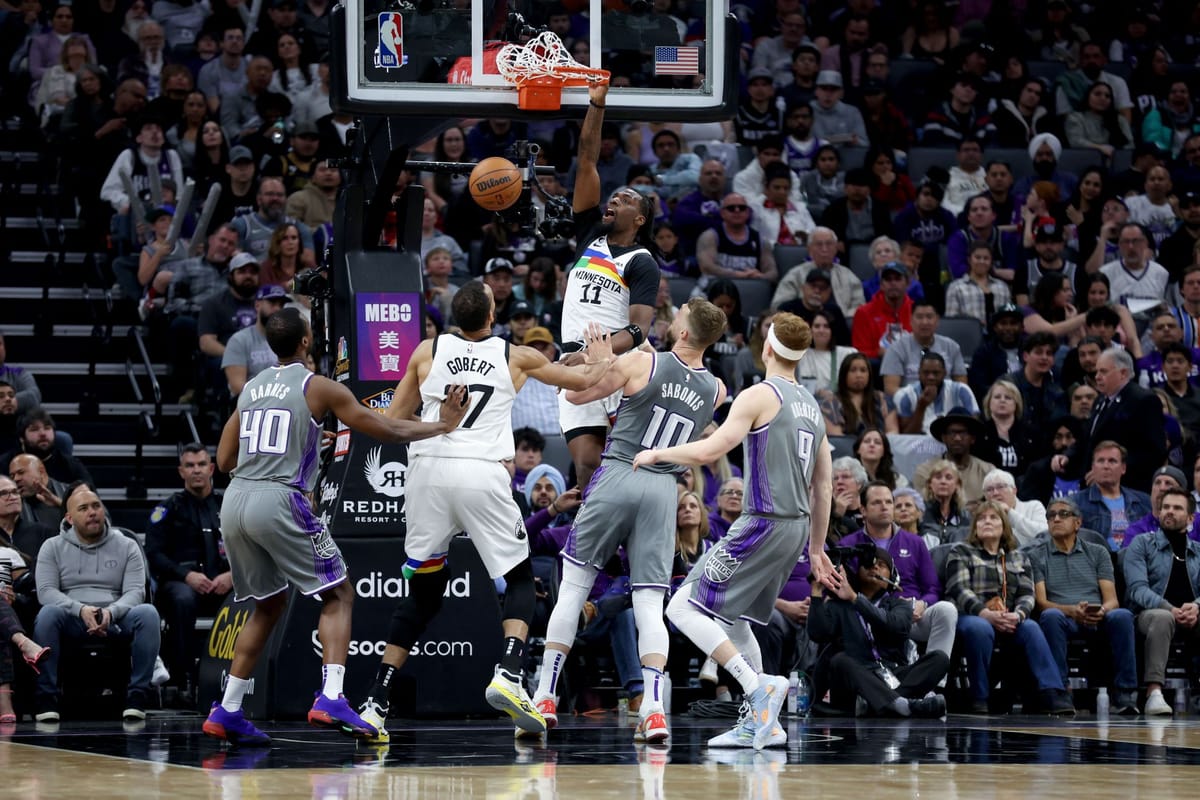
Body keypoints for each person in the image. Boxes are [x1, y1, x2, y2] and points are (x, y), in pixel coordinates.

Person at [352, 282, 617, 744]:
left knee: (425, 590)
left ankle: (376, 700)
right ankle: (510, 672)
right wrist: (601, 356)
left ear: (456, 318)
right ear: (492, 316)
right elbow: (585, 382)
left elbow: (392, 423)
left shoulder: (425, 351)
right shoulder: (515, 356)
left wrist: (439, 424)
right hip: (482, 473)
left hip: (427, 473)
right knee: (518, 579)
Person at [201, 308, 472, 747]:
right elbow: (384, 428)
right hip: (279, 498)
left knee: (268, 604)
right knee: (339, 593)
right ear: (307, 342)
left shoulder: (250, 388)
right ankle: (331, 695)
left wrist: (299, 440)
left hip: (234, 502)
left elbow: (225, 461)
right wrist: (443, 423)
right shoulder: (318, 386)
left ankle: (229, 708)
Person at [634, 312, 836, 749]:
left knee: (682, 609)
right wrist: (817, 547)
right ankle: (766, 723)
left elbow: (714, 447)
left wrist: (656, 453)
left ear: (766, 348)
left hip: (762, 521)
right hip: (796, 530)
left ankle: (755, 686)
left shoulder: (760, 395)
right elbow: (824, 485)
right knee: (737, 618)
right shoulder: (813, 406)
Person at [529, 297, 727, 743]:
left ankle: (544, 697)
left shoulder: (642, 361)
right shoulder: (717, 389)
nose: (670, 318)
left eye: (676, 315)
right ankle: (654, 710)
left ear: (682, 332)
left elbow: (574, 394)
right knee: (649, 606)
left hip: (619, 470)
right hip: (664, 489)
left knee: (575, 587)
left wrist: (601, 364)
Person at [557, 83, 660, 493]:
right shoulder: (589, 237)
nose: (615, 198)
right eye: (614, 195)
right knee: (585, 468)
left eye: (627, 198)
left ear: (640, 219)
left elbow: (639, 331)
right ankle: (589, 553)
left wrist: (592, 355)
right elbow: (587, 159)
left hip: (616, 367)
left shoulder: (641, 261)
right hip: (572, 362)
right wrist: (596, 103)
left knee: (618, 466)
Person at [33, 485, 161, 723]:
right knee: (47, 613)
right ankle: (46, 698)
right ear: (69, 518)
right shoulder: (52, 546)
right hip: (72, 618)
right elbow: (46, 592)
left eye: (96, 506)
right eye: (83, 508)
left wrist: (110, 613)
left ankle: (138, 697)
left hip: (116, 617)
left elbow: (135, 592)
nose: (92, 512)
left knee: (148, 613)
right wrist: (80, 609)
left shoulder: (127, 544)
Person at [945, 500, 1075, 715]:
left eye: (993, 517)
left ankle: (1052, 692)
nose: (987, 521)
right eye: (982, 518)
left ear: (1004, 526)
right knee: (980, 628)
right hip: (971, 615)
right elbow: (959, 589)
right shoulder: (961, 551)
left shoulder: (1019, 557)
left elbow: (1027, 594)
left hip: (1008, 618)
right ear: (975, 526)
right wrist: (985, 613)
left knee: (1031, 627)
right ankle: (980, 696)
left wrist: (1018, 615)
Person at [807, 546, 949, 718]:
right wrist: (816, 593)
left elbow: (896, 627)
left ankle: (880, 704)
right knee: (840, 661)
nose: (875, 567)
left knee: (940, 659)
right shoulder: (839, 605)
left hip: (891, 675)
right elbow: (817, 634)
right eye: (869, 564)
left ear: (893, 576)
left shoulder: (900, 605)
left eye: (882, 565)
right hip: (857, 677)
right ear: (857, 572)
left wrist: (855, 598)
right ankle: (898, 703)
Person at [1029, 497, 1140, 715]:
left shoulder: (1098, 552)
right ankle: (1059, 691)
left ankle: (1125, 694)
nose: (1056, 519)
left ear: (1078, 523)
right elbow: (1041, 603)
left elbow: (1112, 599)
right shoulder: (1037, 555)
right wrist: (1071, 611)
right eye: (1051, 516)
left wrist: (1102, 611)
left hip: (1097, 616)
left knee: (1123, 615)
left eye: (1063, 514)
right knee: (1050, 616)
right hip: (1064, 618)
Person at [144, 443, 230, 699]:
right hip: (180, 583)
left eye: (201, 464)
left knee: (249, 596)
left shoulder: (227, 505)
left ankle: (238, 676)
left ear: (212, 468)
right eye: (190, 466)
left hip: (224, 581)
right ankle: (183, 679)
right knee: (182, 599)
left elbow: (250, 546)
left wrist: (233, 575)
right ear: (181, 471)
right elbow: (154, 554)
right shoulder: (167, 509)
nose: (196, 471)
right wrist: (187, 576)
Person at [840, 482, 958, 660]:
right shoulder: (848, 545)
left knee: (946, 610)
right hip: (869, 617)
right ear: (863, 510)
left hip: (912, 617)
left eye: (888, 502)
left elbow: (933, 589)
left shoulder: (915, 542)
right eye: (877, 502)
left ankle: (933, 681)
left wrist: (922, 604)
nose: (884, 507)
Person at [1123, 487, 1200, 717]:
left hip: (1191, 615)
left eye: (1177, 508)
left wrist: (1196, 605)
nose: (1169, 512)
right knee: (1164, 617)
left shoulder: (1198, 550)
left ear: (1190, 518)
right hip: (1149, 615)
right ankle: (1154, 692)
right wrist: (1171, 608)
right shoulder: (1141, 543)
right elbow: (1137, 589)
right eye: (1166, 507)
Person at [1053, 348, 1166, 494]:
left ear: (1123, 373)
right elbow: (1088, 439)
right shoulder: (1101, 399)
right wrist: (1068, 456)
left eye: (1103, 372)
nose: (1097, 377)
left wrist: (1110, 471)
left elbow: (1154, 451)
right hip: (1094, 487)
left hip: (1128, 489)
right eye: (1097, 371)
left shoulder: (1143, 400)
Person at [1070, 441, 1152, 552]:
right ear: (1093, 467)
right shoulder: (1075, 503)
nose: (1106, 466)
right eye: (1101, 461)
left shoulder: (1143, 502)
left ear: (1123, 468)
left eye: (1112, 461)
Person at [880, 302, 968, 397]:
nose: (924, 322)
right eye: (919, 317)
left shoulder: (952, 347)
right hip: (909, 405)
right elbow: (890, 389)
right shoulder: (896, 348)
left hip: (946, 403)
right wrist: (920, 401)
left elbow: (962, 386)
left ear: (937, 320)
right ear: (911, 320)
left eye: (929, 317)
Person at [914, 408, 995, 505]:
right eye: (952, 433)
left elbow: (995, 505)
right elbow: (921, 506)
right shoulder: (926, 471)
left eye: (963, 433)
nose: (957, 438)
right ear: (943, 438)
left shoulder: (988, 471)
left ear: (972, 438)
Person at [894, 353, 979, 435]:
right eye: (926, 373)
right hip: (919, 446)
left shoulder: (961, 390)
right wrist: (921, 406)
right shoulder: (905, 395)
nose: (931, 377)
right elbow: (908, 435)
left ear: (945, 373)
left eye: (936, 373)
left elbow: (975, 425)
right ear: (919, 373)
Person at [974, 379, 1039, 476]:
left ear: (1016, 403)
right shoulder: (979, 432)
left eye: (1008, 397)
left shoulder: (1030, 433)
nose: (1002, 400)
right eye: (997, 397)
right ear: (989, 402)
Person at [981, 470, 1047, 547]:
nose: (995, 493)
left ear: (1014, 490)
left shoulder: (1033, 506)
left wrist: (1010, 513)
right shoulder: (983, 516)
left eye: (1000, 487)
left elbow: (1045, 535)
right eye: (989, 489)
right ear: (985, 496)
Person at [8, 454, 65, 528]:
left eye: (21, 472)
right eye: (12, 476)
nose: (16, 479)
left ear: (41, 472)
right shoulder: (12, 504)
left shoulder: (72, 492)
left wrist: (60, 504)